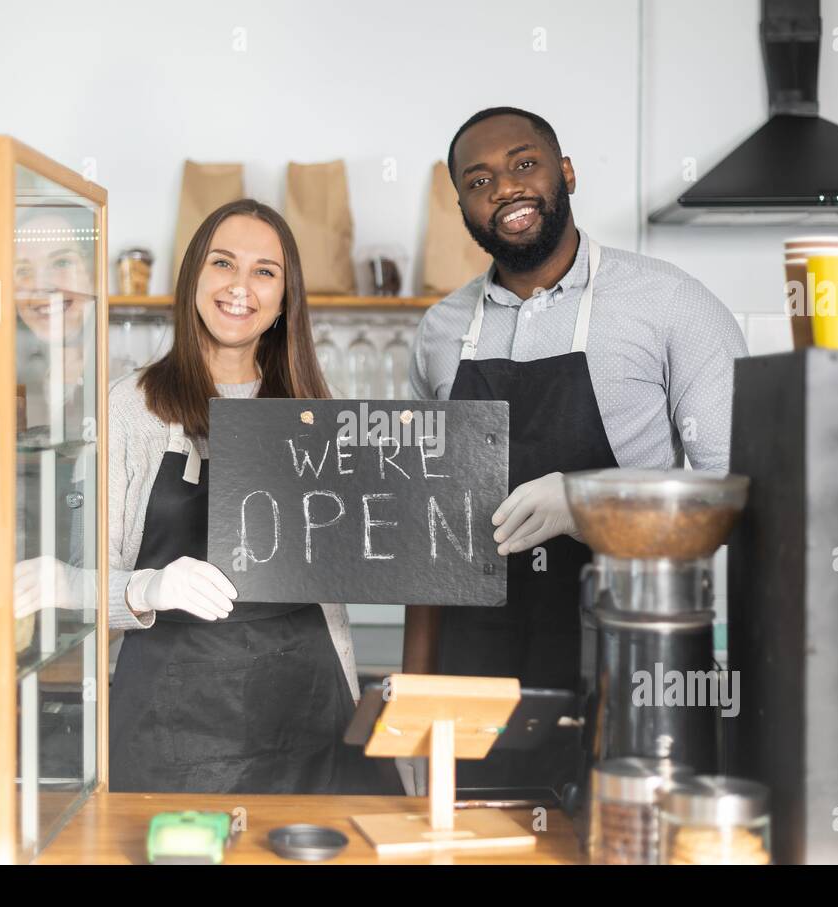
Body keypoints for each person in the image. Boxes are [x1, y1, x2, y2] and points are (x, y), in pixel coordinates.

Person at [403, 106, 748, 794]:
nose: (504, 187)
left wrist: (589, 500)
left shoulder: (670, 303)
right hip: (476, 674)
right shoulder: (440, 332)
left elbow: (734, 495)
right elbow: (421, 528)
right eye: (479, 179)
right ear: (463, 204)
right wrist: (414, 694)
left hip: (630, 656)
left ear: (565, 172)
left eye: (523, 164)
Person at [105, 198, 373, 794]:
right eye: (223, 263)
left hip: (307, 716)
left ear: (284, 299)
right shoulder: (130, 407)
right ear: (194, 276)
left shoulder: (318, 415)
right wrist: (148, 588)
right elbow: (85, 587)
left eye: (265, 271)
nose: (241, 287)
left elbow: (348, 577)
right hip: (170, 725)